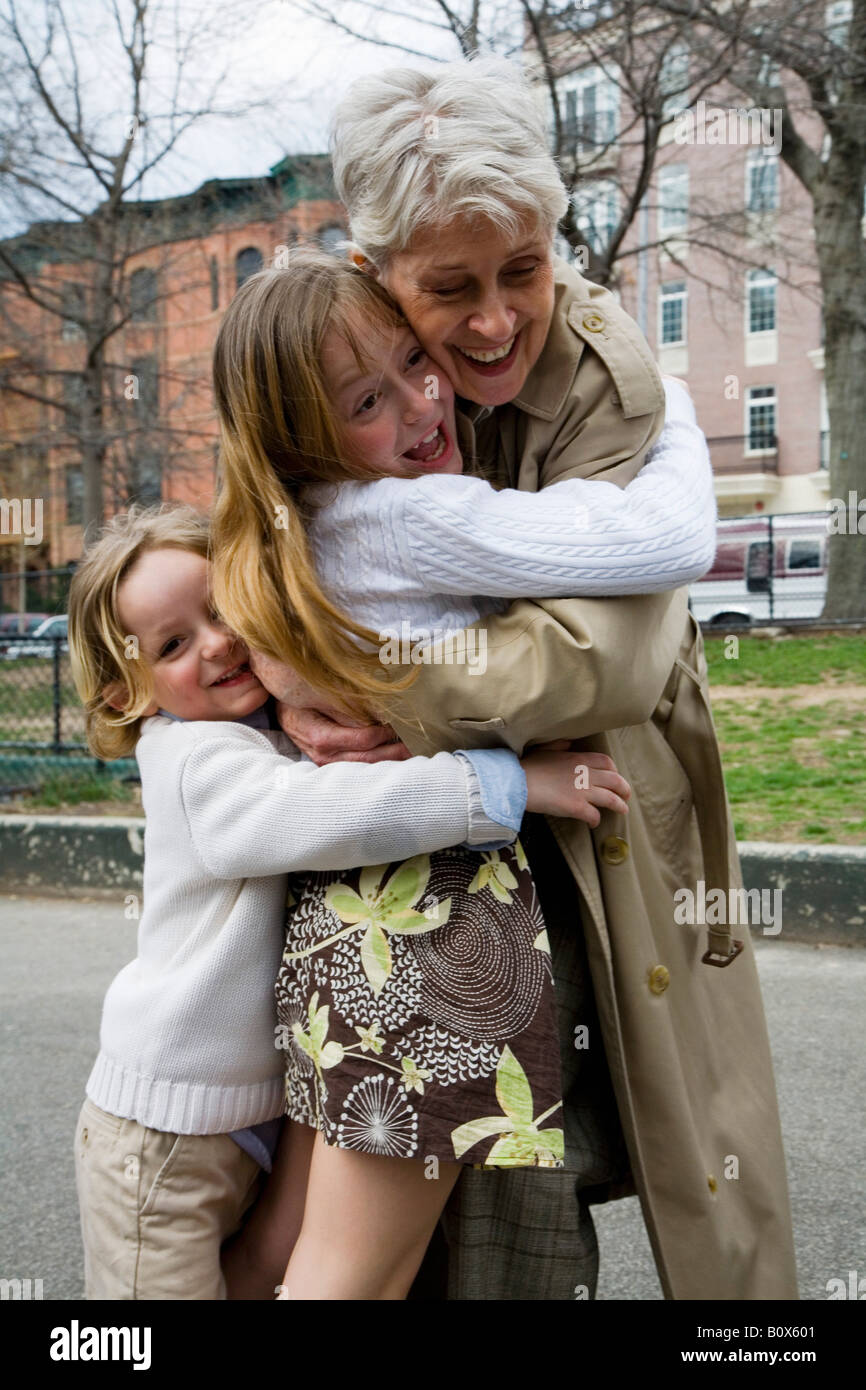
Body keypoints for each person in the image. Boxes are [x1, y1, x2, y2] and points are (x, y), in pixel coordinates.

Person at [261, 55, 798, 1300]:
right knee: (468, 1200)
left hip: (603, 807)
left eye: (524, 270)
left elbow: (603, 654)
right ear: (370, 271)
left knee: (691, 1167)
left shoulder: (606, 375)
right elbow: (232, 541)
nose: (496, 321)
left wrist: (352, 673)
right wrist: (269, 662)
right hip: (434, 864)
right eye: (448, 289)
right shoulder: (330, 363)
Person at [208, 250, 715, 1300]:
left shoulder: (296, 534)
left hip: (352, 922)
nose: (421, 400)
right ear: (305, 443)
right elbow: (662, 538)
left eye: (411, 360)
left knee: (282, 1254)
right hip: (439, 936)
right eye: (365, 400)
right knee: (353, 1278)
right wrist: (668, 415)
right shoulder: (408, 515)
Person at [68, 501, 611, 1299]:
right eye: (173, 645)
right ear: (126, 694)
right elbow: (330, 815)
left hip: (240, 1119)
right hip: (161, 1144)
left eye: (220, 610)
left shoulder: (255, 731)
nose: (217, 643)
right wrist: (506, 784)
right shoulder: (192, 758)